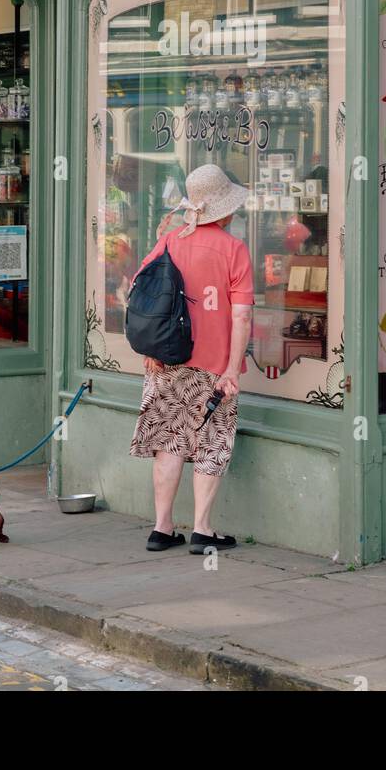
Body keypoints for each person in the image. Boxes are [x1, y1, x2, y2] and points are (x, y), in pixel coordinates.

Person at [129, 164, 254, 553]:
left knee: (169, 442)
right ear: (225, 210)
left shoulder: (169, 241)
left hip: (166, 360)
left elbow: (140, 295)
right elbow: (242, 314)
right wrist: (232, 369)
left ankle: (162, 528)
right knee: (211, 442)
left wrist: (150, 349)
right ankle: (202, 529)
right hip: (215, 367)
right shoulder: (234, 249)